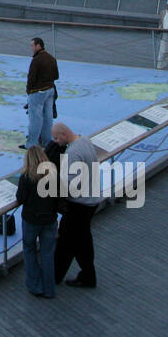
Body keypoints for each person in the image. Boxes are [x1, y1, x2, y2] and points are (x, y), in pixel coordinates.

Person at [51, 122, 100, 289]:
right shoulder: (85, 141)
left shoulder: (72, 153)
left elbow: (71, 187)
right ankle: (87, 276)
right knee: (82, 240)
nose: (56, 142)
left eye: (56, 138)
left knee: (67, 241)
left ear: (64, 135)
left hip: (79, 204)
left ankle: (55, 276)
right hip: (92, 199)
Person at [15, 144, 58, 298]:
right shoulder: (53, 175)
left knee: (29, 250)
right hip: (50, 219)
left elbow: (20, 199)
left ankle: (35, 285)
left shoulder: (26, 177)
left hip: (31, 220)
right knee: (47, 254)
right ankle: (49, 288)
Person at [25, 37, 59, 149]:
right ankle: (46, 141)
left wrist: (29, 91)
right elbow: (56, 76)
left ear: (38, 45)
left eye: (32, 45)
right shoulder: (51, 58)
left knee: (35, 119)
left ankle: (31, 144)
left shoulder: (36, 60)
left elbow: (31, 78)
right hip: (50, 91)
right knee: (48, 117)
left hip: (38, 92)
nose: (31, 48)